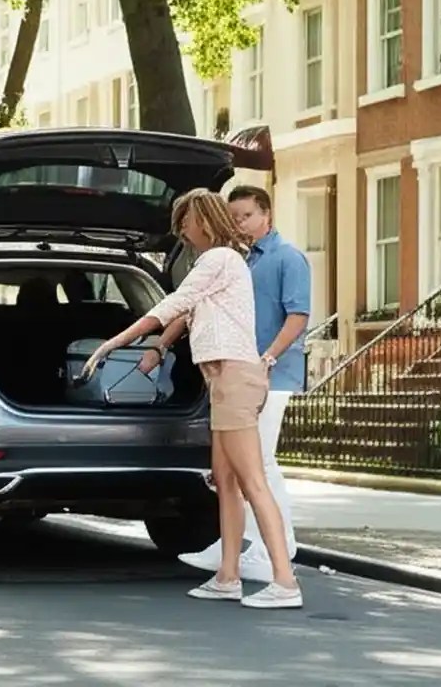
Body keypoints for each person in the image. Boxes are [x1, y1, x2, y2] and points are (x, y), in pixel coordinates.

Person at [79, 188, 302, 609]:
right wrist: (159, 347)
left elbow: (172, 304)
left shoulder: (218, 259)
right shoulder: (222, 263)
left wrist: (111, 343)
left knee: (251, 482)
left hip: (234, 379)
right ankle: (228, 576)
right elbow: (186, 314)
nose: (181, 228)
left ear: (203, 220)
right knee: (226, 482)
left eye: (186, 219)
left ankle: (285, 582)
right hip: (222, 381)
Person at [145, 184, 309, 583]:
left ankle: (275, 552)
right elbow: (190, 306)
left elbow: (298, 316)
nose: (239, 223)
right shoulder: (233, 259)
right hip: (234, 372)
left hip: (270, 373)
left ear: (267, 215)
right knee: (232, 471)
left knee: (259, 463)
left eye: (247, 215)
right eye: (233, 216)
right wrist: (161, 345)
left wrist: (267, 359)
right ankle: (232, 552)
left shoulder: (287, 258)